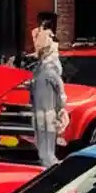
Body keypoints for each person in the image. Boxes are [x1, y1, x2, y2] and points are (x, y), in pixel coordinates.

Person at [29, 19, 67, 167]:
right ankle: (46, 163)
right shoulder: (39, 69)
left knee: (47, 146)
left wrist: (60, 108)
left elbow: (59, 90)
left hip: (48, 112)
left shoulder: (49, 69)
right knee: (42, 143)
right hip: (40, 111)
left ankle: (49, 165)